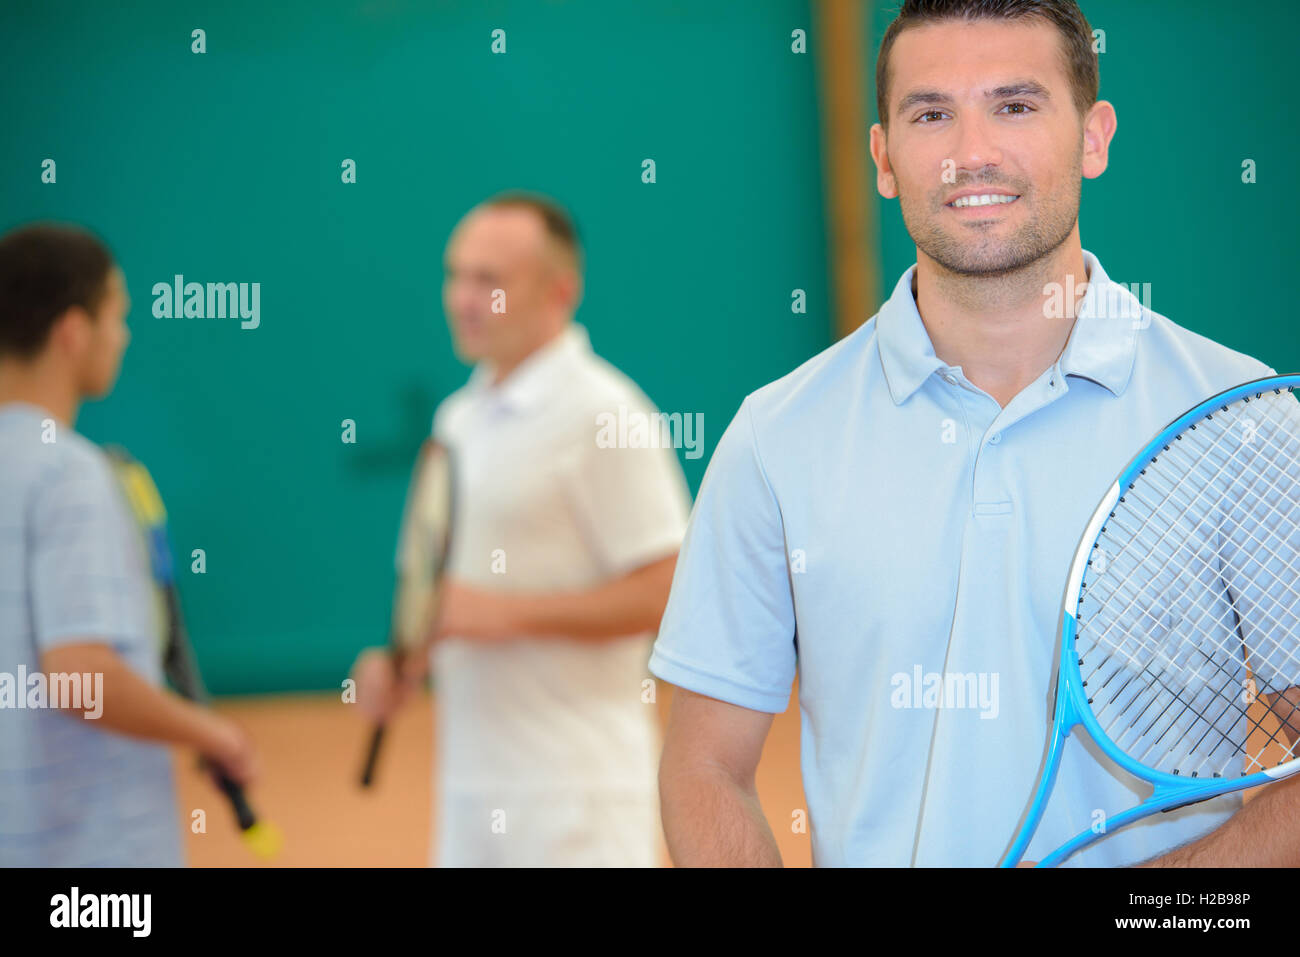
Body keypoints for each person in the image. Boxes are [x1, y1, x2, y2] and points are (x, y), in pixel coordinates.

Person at [651, 0, 1300, 867]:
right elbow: (704, 765)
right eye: (931, 114)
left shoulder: (1243, 420)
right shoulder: (776, 436)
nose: (973, 153)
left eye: (1016, 105)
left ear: (1095, 138)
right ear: (884, 158)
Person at [353, 193, 691, 866]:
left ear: (559, 291)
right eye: (456, 274)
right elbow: (446, 604)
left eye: (490, 281)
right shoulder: (457, 418)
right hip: (472, 805)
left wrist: (501, 613)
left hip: (581, 809)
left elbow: (672, 592)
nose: (463, 298)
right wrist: (403, 659)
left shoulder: (607, 413)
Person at [0, 222, 258, 866]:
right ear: (73, 332)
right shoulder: (70, 473)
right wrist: (209, 731)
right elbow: (82, 678)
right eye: (119, 316)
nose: (127, 335)